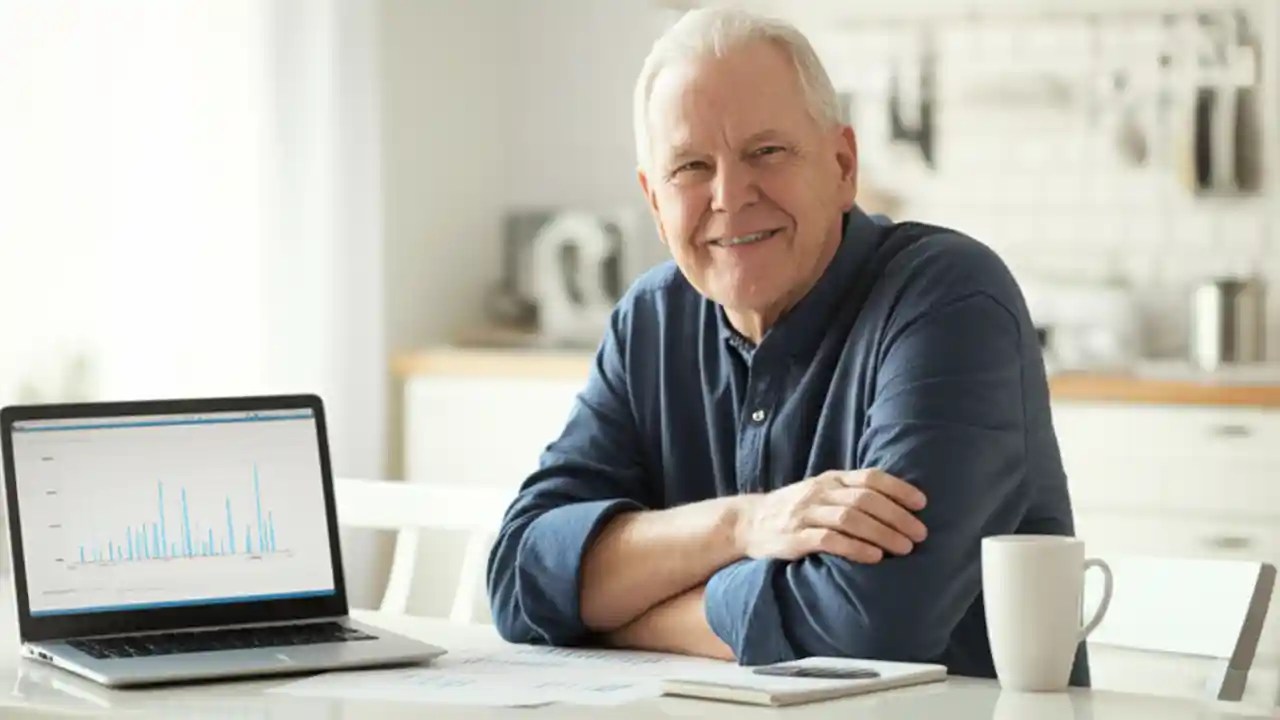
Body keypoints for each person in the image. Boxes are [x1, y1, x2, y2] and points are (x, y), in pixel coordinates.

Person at [486, 7, 1086, 684]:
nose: (730, 196)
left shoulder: (950, 300)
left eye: (766, 152)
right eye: (690, 167)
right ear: (654, 202)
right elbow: (520, 579)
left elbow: (869, 628)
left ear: (841, 165)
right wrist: (742, 526)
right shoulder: (650, 322)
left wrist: (621, 615)